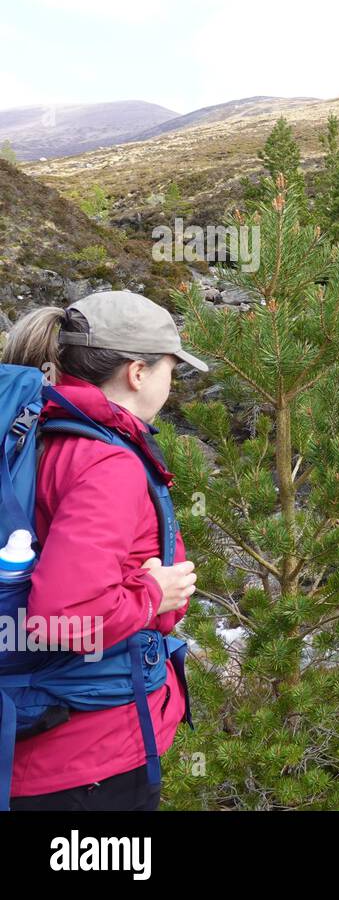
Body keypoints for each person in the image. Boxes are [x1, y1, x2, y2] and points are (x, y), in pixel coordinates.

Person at [0, 290, 207, 810]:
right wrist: (153, 593)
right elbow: (64, 618)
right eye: (170, 368)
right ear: (137, 372)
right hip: (87, 760)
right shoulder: (104, 462)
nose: (170, 382)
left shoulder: (35, 430)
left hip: (33, 736)